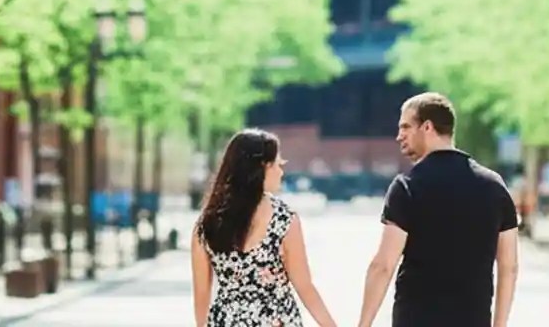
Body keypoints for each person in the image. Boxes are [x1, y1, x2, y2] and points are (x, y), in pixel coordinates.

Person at [356, 93, 520, 327]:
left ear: (427, 127)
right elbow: (509, 266)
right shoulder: (494, 186)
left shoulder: (407, 186)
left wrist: (363, 324)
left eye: (405, 127)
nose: (398, 136)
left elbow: (383, 266)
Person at [191, 128, 338, 327]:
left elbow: (201, 294)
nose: (281, 172)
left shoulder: (207, 224)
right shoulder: (284, 221)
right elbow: (304, 286)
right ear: (261, 168)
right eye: (277, 165)